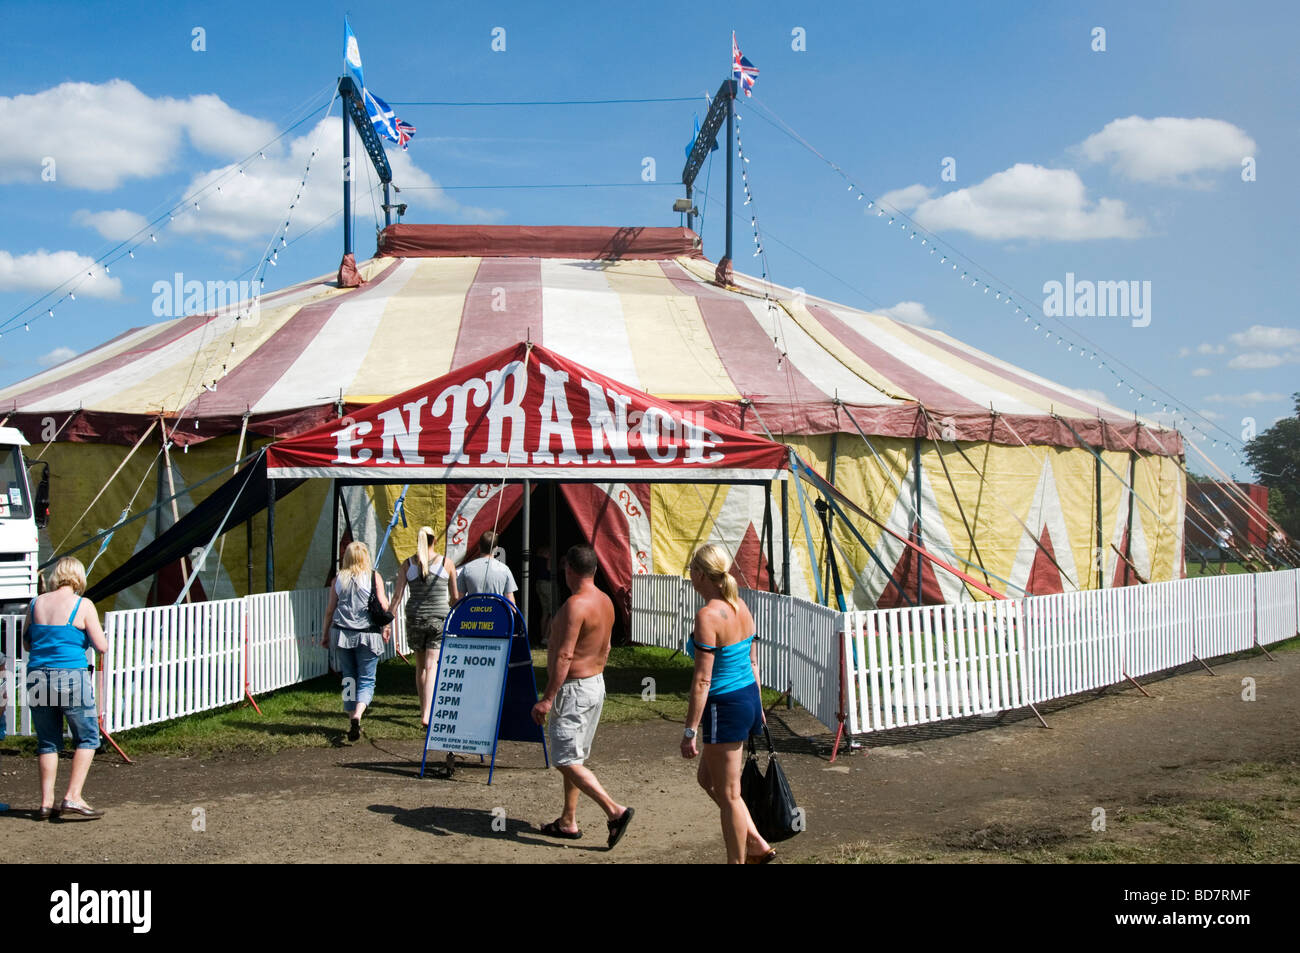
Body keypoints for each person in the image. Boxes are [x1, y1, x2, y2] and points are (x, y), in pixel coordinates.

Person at [530, 545, 633, 849]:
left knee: (564, 759)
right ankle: (568, 821)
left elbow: (564, 655)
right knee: (575, 757)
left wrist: (548, 698)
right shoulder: (605, 601)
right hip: (594, 684)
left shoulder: (576, 605)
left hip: (575, 689)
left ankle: (615, 811)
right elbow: (608, 647)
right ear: (595, 570)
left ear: (569, 570)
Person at [680, 544, 775, 864]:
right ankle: (757, 844)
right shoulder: (740, 606)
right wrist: (757, 705)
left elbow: (702, 680)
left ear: (701, 575)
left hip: (726, 705)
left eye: (692, 570)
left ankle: (739, 859)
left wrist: (690, 730)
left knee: (730, 794)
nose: (690, 576)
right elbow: (753, 663)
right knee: (708, 780)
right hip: (745, 697)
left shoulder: (708, 615)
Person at [22, 556, 109, 821]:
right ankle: (72, 795)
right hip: (70, 674)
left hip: (37, 675)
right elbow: (101, 646)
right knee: (87, 738)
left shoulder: (35, 603)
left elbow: (27, 643)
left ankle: (46, 802)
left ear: (55, 576)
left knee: (47, 741)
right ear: (78, 577)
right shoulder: (83, 605)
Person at [321, 542, 390, 741]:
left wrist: (325, 634)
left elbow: (329, 610)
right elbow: (384, 606)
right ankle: (358, 715)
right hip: (368, 634)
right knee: (367, 679)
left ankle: (351, 717)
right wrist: (387, 627)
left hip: (343, 634)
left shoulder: (338, 580)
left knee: (349, 677)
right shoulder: (373, 577)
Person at [390, 526, 459, 728]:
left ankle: (423, 709)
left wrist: (388, 620)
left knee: (420, 666)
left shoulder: (408, 565)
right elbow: (455, 597)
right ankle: (428, 712)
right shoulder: (447, 564)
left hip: (415, 618)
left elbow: (397, 596)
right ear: (434, 540)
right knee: (432, 666)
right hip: (439, 618)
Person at [458, 531, 518, 603]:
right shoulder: (505, 569)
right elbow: (511, 603)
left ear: (479, 547)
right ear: (496, 549)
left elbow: (459, 600)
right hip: (496, 613)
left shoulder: (467, 569)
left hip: (472, 613)